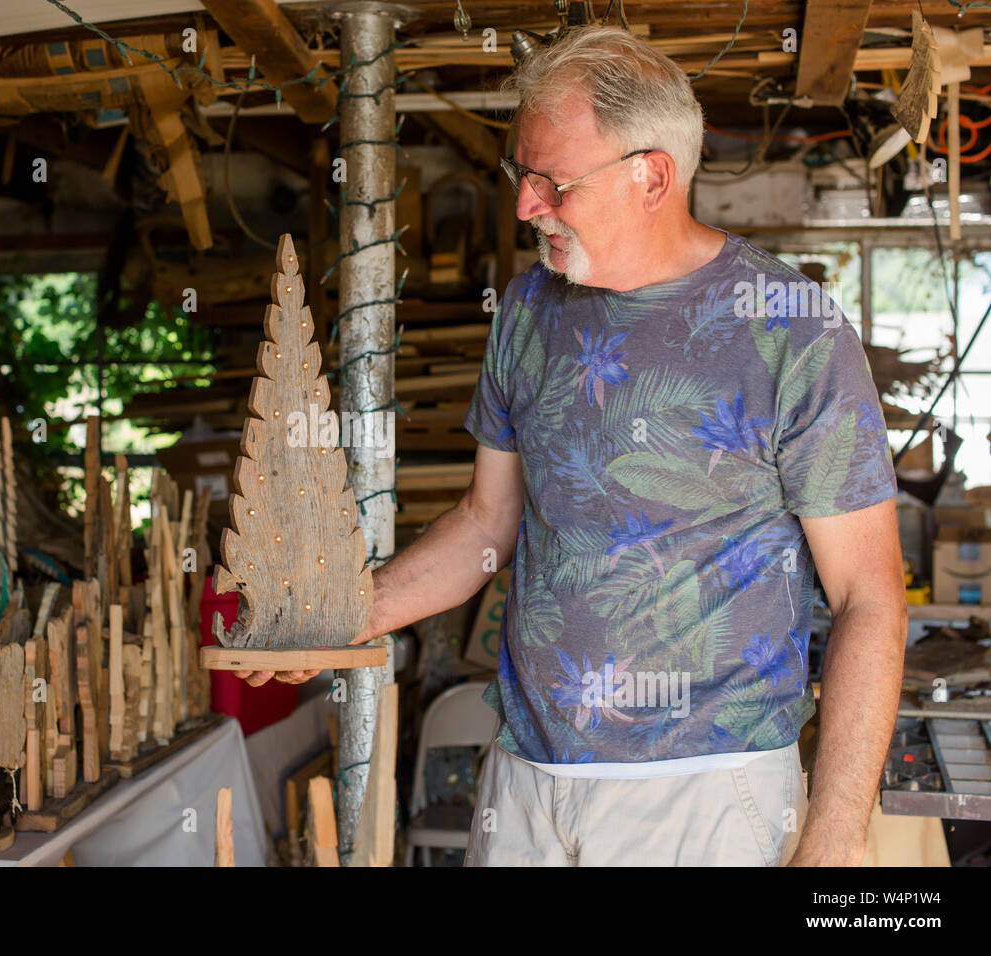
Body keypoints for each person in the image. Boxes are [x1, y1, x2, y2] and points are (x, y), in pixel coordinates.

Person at [238, 25, 906, 866]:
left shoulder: (791, 330)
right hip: (526, 779)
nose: (525, 205)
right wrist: (342, 615)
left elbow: (868, 598)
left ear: (652, 175)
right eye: (523, 176)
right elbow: (488, 526)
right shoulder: (528, 311)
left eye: (553, 181)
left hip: (703, 792)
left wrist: (836, 835)